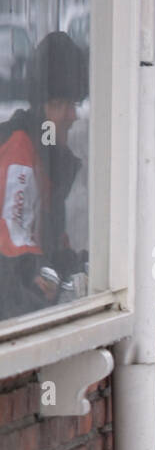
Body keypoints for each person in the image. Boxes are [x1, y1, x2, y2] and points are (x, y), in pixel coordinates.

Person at [0, 30, 89, 321]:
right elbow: (17, 261)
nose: (71, 116)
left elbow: (50, 244)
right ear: (40, 107)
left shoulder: (48, 152)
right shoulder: (21, 156)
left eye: (73, 104)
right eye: (60, 104)